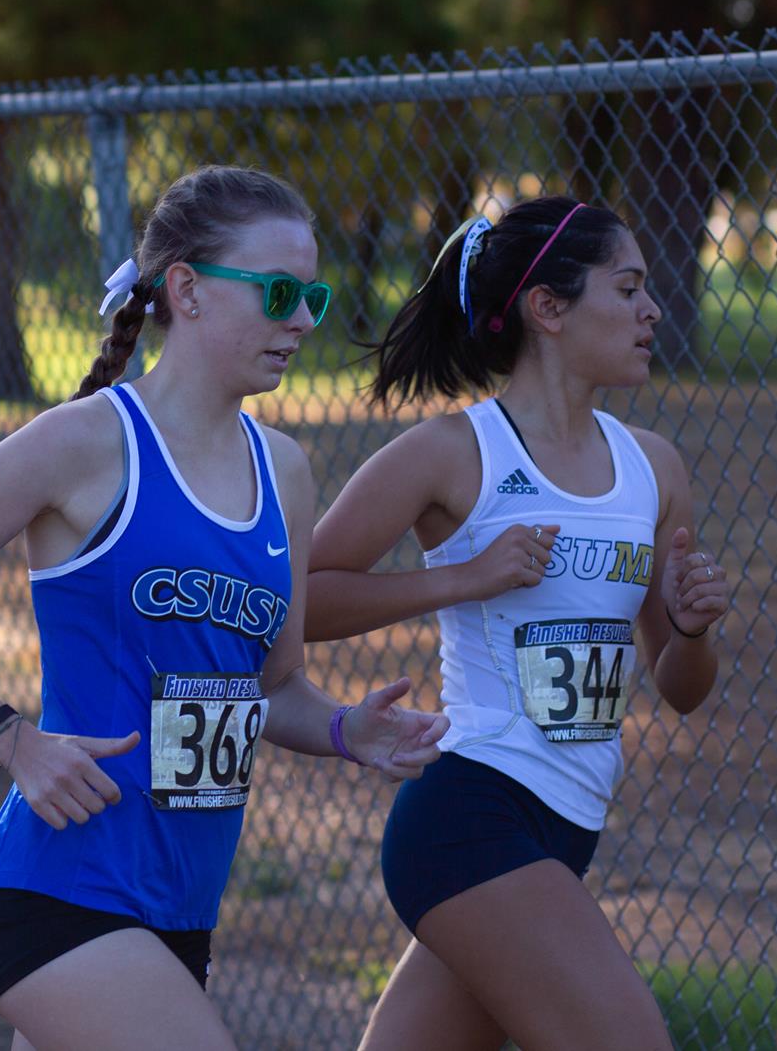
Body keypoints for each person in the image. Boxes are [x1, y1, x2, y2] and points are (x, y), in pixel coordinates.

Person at [0, 165, 451, 1050]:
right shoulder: (84, 440)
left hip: (179, 912)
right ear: (187, 290)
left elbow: (272, 686)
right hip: (58, 893)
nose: (303, 320)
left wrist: (344, 730)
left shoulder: (284, 469)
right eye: (280, 292)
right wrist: (11, 739)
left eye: (312, 294)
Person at [305, 198, 734, 1051]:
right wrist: (464, 576)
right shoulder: (453, 452)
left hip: (567, 827)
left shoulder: (653, 466)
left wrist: (689, 630)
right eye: (628, 287)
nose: (653, 310)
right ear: (549, 307)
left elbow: (680, 691)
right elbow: (303, 596)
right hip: (471, 813)